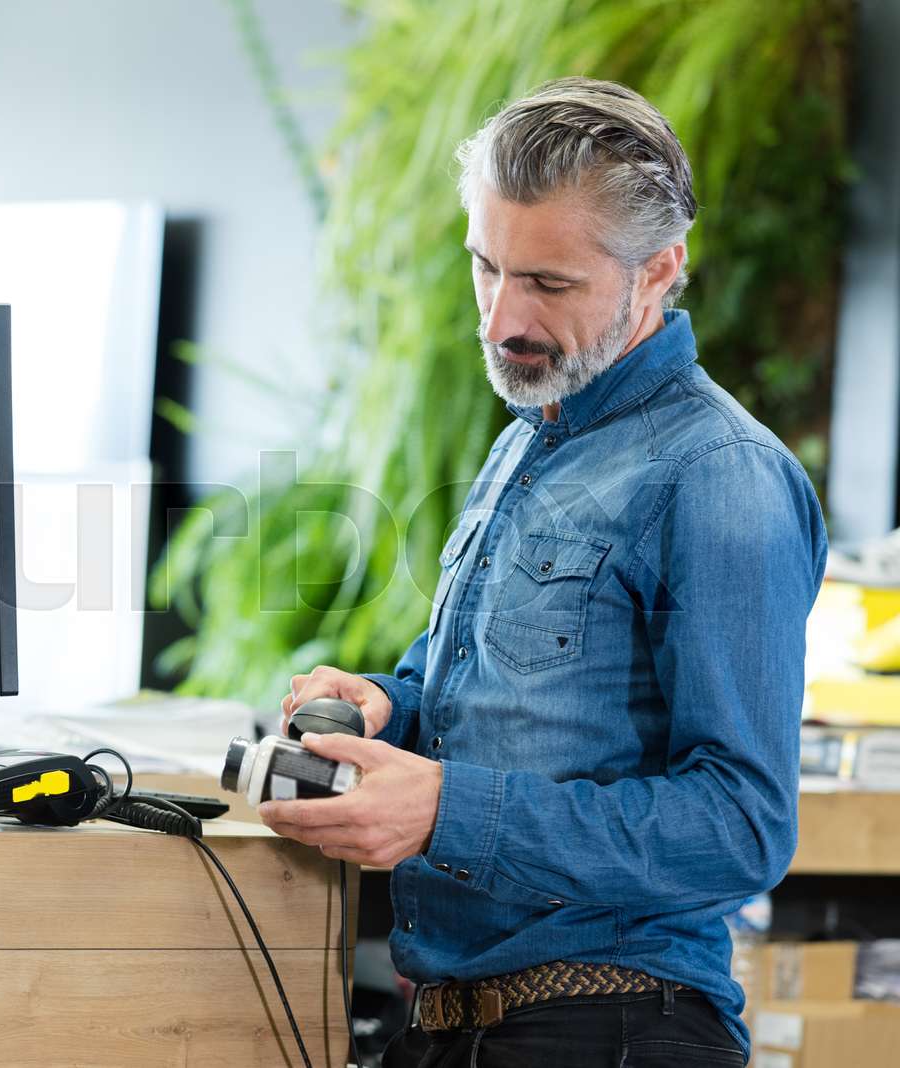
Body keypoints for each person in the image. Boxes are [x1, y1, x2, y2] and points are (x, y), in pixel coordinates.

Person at [260, 78, 826, 1067]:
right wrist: (383, 704)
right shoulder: (533, 434)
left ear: (657, 273)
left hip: (611, 1027)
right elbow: (486, 688)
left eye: (549, 285)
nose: (498, 321)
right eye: (487, 269)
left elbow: (742, 825)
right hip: (452, 1024)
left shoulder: (720, 479)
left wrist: (446, 808)